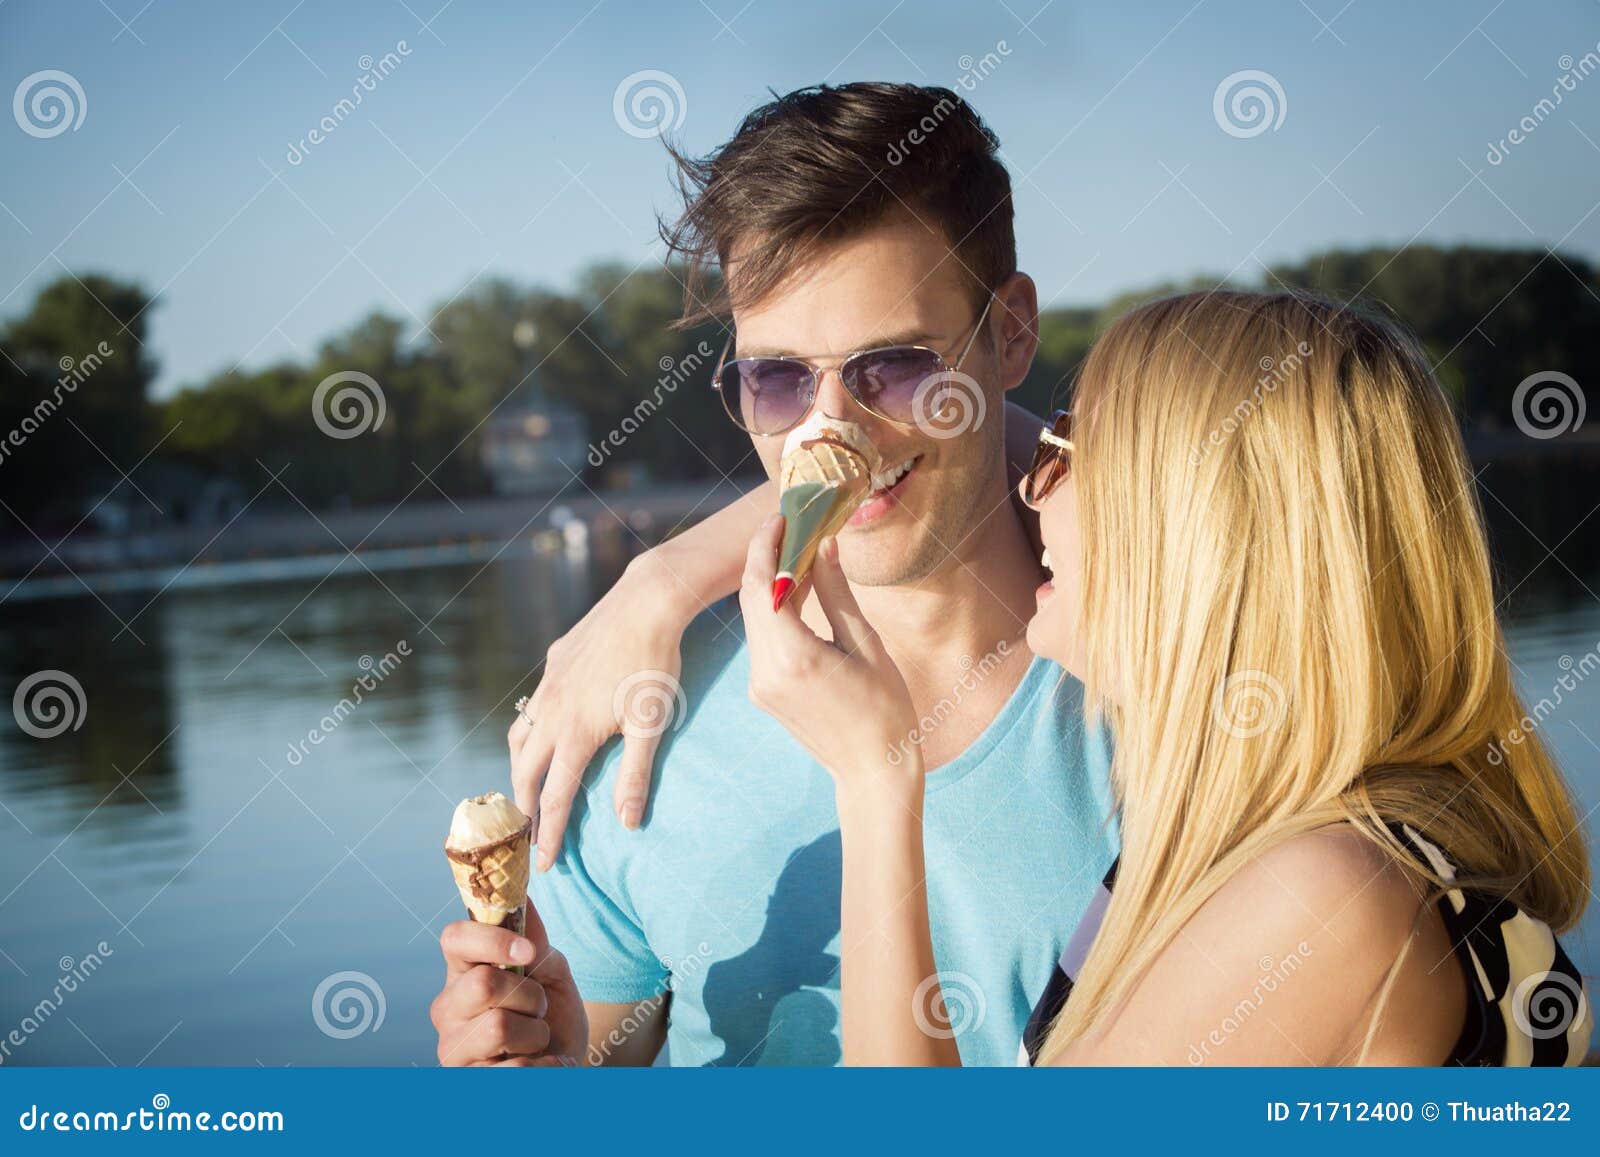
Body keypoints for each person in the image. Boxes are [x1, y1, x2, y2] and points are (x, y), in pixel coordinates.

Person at [430, 82, 1121, 1066]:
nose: (830, 428)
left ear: (1011, 334)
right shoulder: (635, 720)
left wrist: (664, 572)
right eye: (779, 377)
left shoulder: (1166, 688)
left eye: (896, 365)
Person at [738, 289, 1594, 1065]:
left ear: (1207, 527)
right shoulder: (1271, 858)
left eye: (1066, 450)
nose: (1033, 493)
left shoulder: (1322, 898)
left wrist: (876, 783)